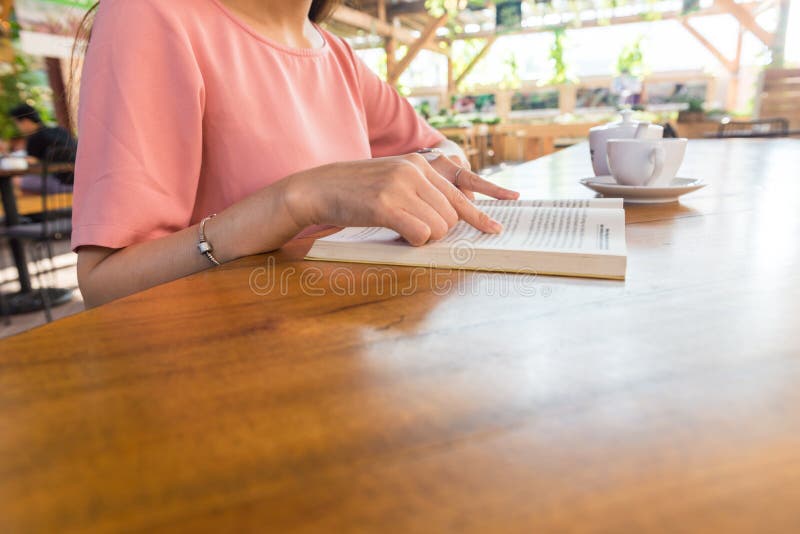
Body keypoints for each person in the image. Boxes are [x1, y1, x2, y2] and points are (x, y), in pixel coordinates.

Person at [73, 0, 519, 308]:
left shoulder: (336, 53)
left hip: (341, 341)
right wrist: (296, 200)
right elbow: (104, 283)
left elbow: (441, 148)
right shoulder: (150, 14)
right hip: (219, 369)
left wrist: (431, 170)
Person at [8, 103, 77, 192]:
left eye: (17, 123)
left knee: (14, 180)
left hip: (64, 184)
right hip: (80, 179)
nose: (17, 127)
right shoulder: (59, 130)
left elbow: (32, 162)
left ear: (25, 121)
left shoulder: (35, 137)